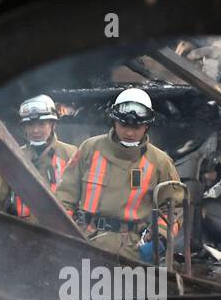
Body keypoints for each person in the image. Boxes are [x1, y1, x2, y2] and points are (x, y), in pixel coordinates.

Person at [55, 88, 183, 259]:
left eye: (136, 127)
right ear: (114, 121)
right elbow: (65, 195)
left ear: (147, 126)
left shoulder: (160, 162)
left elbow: (174, 207)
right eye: (124, 125)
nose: (129, 133)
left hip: (132, 251)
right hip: (84, 243)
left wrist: (160, 239)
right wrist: (62, 233)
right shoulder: (89, 149)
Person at [0, 94, 77, 217]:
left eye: (41, 124)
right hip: (22, 232)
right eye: (30, 125)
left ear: (53, 125)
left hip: (61, 233)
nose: (35, 130)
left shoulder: (70, 154)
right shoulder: (13, 157)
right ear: (24, 128)